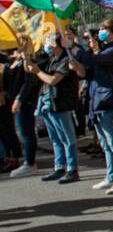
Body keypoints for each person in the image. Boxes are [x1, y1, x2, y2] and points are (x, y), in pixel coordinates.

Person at [72, 19, 113, 195]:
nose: (102, 32)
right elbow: (90, 71)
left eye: (106, 29)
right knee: (105, 143)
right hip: (97, 100)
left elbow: (93, 60)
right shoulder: (105, 51)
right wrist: (78, 67)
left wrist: (75, 48)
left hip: (109, 100)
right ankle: (111, 176)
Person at [30, 30, 83, 183]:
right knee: (55, 138)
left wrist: (38, 72)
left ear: (55, 44)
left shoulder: (66, 60)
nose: (46, 44)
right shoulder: (51, 59)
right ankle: (59, 167)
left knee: (68, 138)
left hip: (60, 103)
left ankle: (72, 169)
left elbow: (53, 80)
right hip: (48, 103)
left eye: (48, 41)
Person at [9, 39, 42, 178]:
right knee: (23, 132)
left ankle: (30, 163)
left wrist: (19, 99)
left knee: (26, 132)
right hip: (18, 101)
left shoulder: (28, 60)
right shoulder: (17, 59)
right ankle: (28, 162)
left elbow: (28, 82)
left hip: (25, 102)